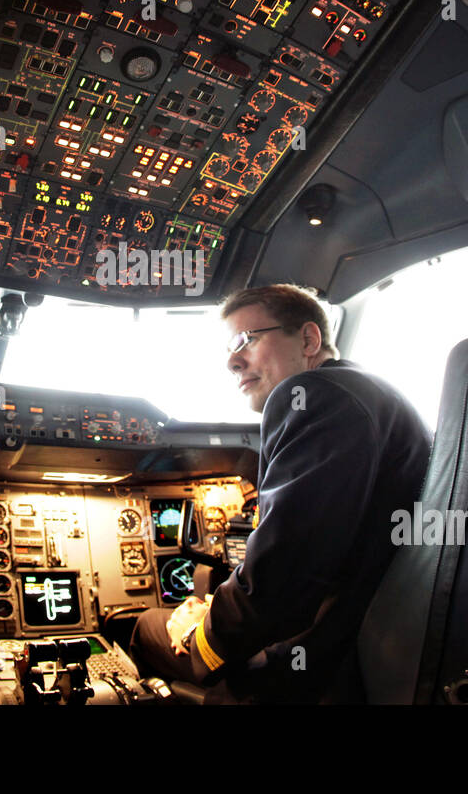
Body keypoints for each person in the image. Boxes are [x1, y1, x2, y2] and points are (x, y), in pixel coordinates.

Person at [130, 284, 431, 702]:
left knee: (144, 625)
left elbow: (285, 569)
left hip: (319, 664)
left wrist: (202, 631)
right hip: (374, 637)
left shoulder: (314, 395)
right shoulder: (366, 392)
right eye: (229, 352)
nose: (233, 361)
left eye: (245, 340)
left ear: (309, 339)